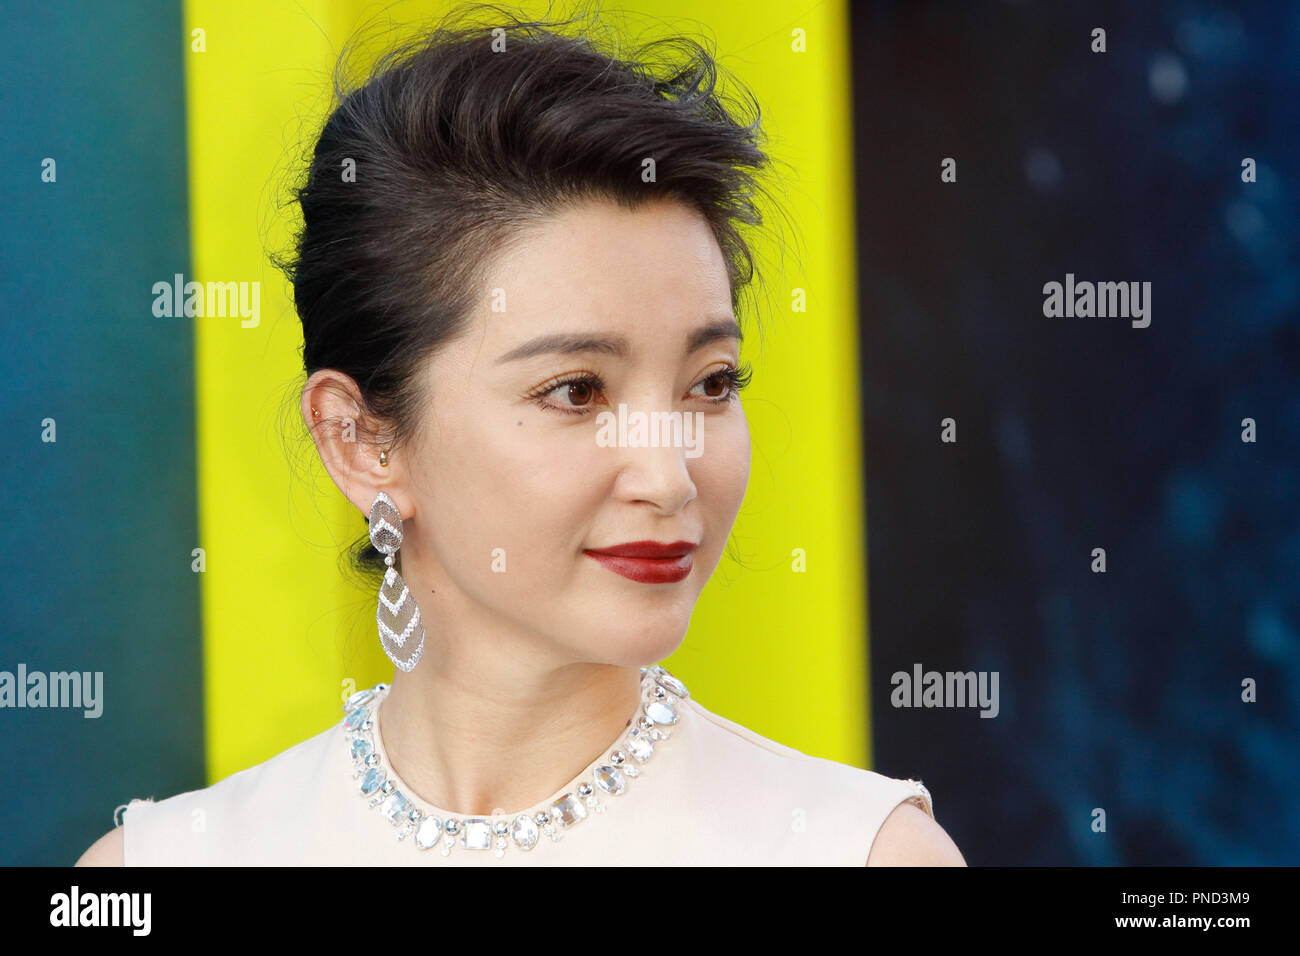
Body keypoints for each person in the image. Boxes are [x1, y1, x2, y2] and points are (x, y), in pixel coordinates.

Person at [77, 7, 964, 866]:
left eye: (710, 384)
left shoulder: (860, 852)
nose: (669, 475)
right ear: (361, 441)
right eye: (576, 391)